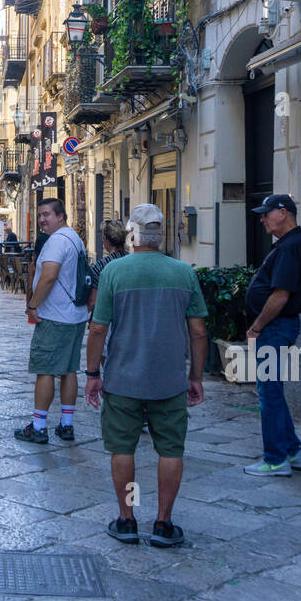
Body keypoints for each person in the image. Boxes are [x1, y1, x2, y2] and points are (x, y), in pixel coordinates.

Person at [85, 204, 207, 547]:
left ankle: (128, 520)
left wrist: (93, 373)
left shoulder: (115, 272)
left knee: (123, 449)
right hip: (169, 380)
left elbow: (97, 329)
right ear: (161, 234)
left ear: (132, 234)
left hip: (122, 377)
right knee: (170, 450)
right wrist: (195, 376)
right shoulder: (184, 273)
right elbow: (198, 332)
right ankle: (163, 524)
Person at [242, 194, 301, 477]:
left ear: (283, 213)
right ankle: (292, 451)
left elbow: (280, 295)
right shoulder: (294, 244)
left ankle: (275, 459)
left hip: (275, 328)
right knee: (272, 391)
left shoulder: (291, 247)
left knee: (268, 394)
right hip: (279, 327)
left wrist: (257, 326)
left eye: (266, 213)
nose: (262, 218)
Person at [15, 196, 90, 444]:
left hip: (56, 316)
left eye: (46, 214)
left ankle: (38, 426)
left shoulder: (57, 241)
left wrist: (33, 305)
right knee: (69, 370)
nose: (41, 220)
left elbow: (48, 277)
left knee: (45, 370)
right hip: (75, 315)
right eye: (40, 215)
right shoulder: (75, 238)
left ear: (60, 216)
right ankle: (66, 425)